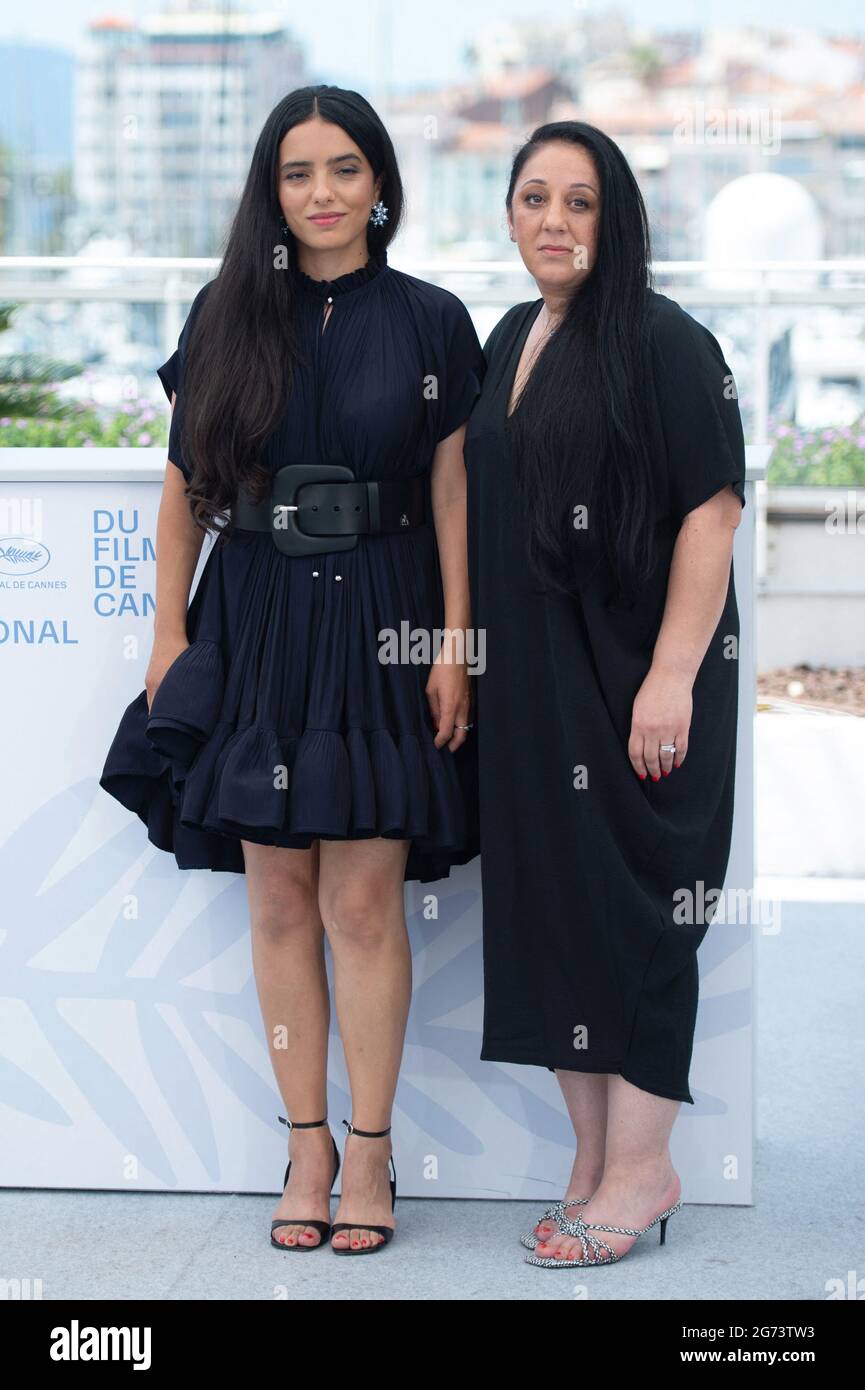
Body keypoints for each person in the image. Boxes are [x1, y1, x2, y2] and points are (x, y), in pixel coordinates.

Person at [100, 85, 485, 1256]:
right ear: (272, 192)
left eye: (345, 170)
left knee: (361, 901)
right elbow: (181, 496)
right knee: (276, 900)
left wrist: (454, 642)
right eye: (298, 173)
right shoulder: (227, 312)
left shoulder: (429, 318)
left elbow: (454, 492)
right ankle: (305, 1142)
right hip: (258, 613)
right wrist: (168, 635)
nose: (321, 194)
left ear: (381, 187)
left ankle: (372, 1152)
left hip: (383, 611)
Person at [464, 120, 746, 1268]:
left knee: (634, 915)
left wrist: (672, 675)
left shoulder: (669, 343)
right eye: (534, 199)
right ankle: (592, 1162)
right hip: (530, 684)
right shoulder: (506, 337)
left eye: (579, 202)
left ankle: (643, 1168)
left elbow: (710, 510)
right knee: (551, 915)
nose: (553, 222)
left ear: (615, 219)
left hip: (634, 676)